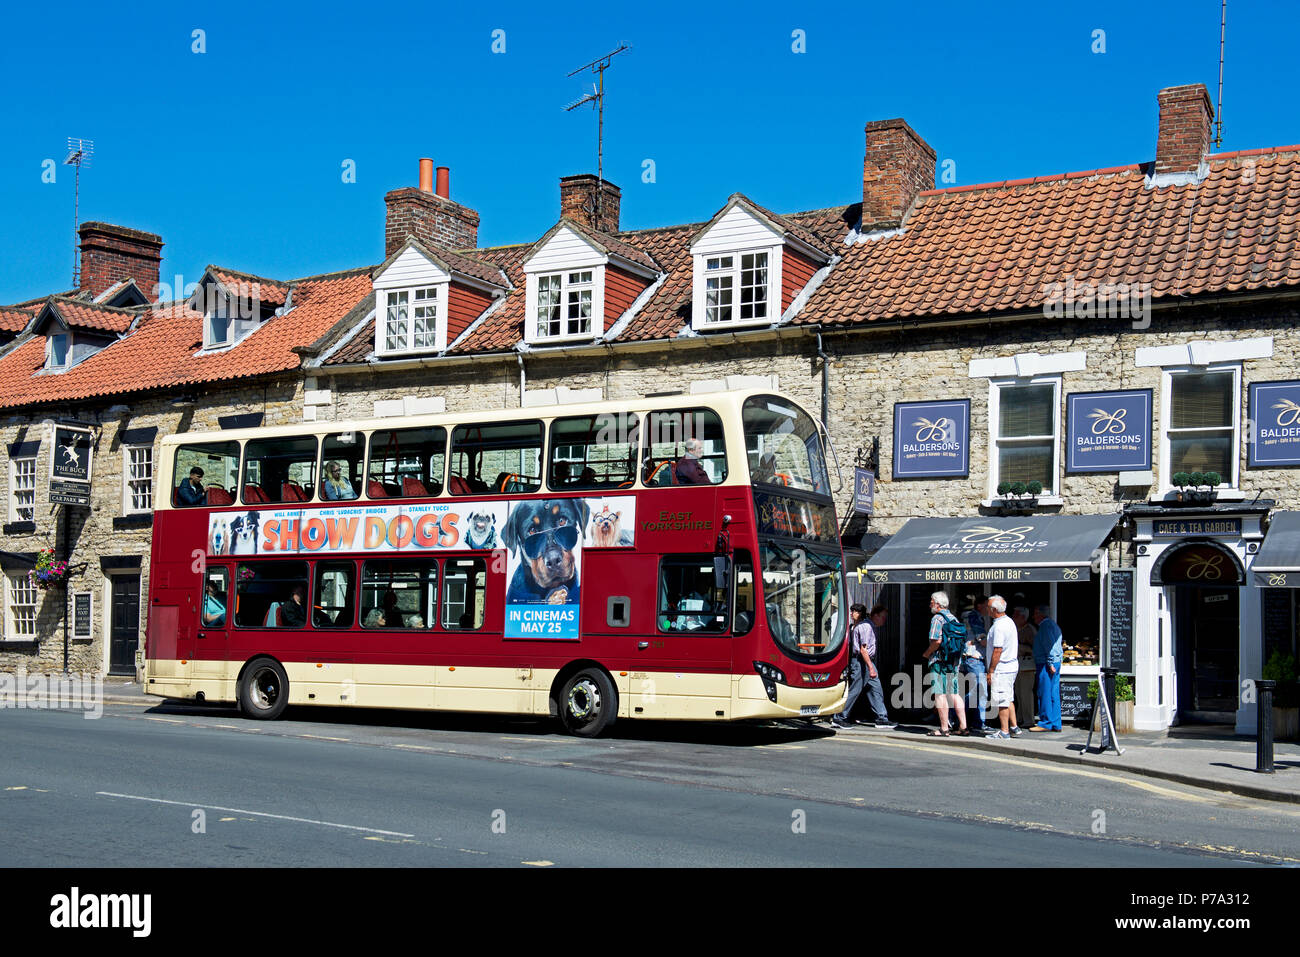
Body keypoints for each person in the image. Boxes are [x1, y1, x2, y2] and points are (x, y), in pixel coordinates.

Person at [922, 591, 967, 735]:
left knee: (939, 694)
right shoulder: (953, 618)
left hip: (939, 661)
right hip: (953, 662)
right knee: (954, 693)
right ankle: (963, 726)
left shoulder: (937, 618)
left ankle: (944, 728)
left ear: (937, 604)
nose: (930, 604)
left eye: (931, 602)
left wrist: (927, 654)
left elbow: (937, 641)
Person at [985, 595, 1022, 738]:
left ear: (994, 609)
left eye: (988, 607)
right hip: (1011, 665)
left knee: (1002, 700)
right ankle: (1014, 726)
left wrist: (991, 671)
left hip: (1002, 667)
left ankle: (1004, 731)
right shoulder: (1009, 621)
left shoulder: (999, 626)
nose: (987, 609)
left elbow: (998, 650)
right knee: (1008, 697)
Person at [832, 604, 870, 730]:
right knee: (855, 689)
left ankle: (845, 715)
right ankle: (840, 717)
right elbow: (861, 649)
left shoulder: (862, 627)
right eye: (852, 611)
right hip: (857, 661)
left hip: (860, 660)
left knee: (859, 689)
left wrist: (870, 666)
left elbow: (863, 648)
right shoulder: (854, 626)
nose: (852, 613)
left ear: (860, 613)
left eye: (855, 611)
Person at [1029, 605, 1064, 731]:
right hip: (1053, 662)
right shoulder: (1052, 624)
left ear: (1041, 614)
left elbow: (1050, 645)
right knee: (1053, 693)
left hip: (1045, 663)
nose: (1033, 617)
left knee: (1045, 692)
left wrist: (1050, 663)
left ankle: (1045, 722)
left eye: (1035, 614)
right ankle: (1055, 723)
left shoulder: (1045, 626)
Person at [961, 595, 990, 735]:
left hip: (970, 658)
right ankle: (978, 722)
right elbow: (982, 639)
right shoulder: (975, 617)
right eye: (987, 605)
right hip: (974, 658)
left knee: (976, 691)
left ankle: (962, 717)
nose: (989, 608)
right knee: (979, 691)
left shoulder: (969, 616)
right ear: (979, 606)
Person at [1012, 606, 1038, 726]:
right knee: (1018, 692)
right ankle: (1020, 717)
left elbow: (1035, 649)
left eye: (1016, 615)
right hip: (1017, 664)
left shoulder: (1030, 630)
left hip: (1027, 665)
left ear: (1023, 617)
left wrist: (1020, 647)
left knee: (1026, 693)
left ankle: (1028, 719)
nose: (1013, 617)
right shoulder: (1015, 628)